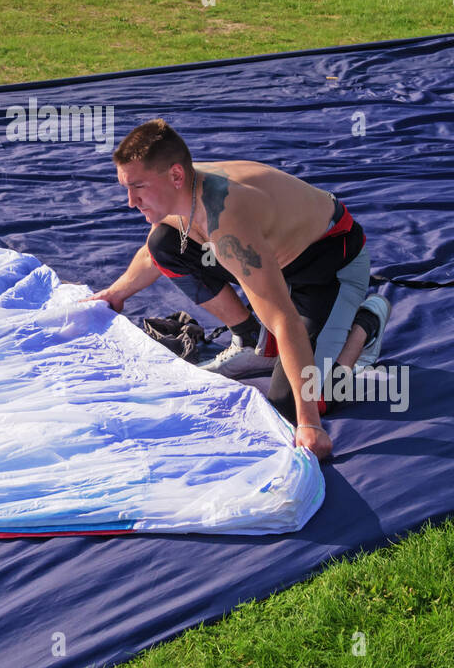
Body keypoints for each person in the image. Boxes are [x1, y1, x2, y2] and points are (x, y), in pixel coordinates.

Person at [90, 120, 390, 463]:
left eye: (138, 187)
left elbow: (284, 318)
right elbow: (150, 254)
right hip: (276, 259)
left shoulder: (225, 218)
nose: (131, 202)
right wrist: (115, 294)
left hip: (329, 269)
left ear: (175, 176)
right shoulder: (185, 190)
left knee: (294, 402)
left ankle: (364, 325)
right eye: (126, 188)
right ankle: (249, 337)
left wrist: (310, 424)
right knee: (164, 244)